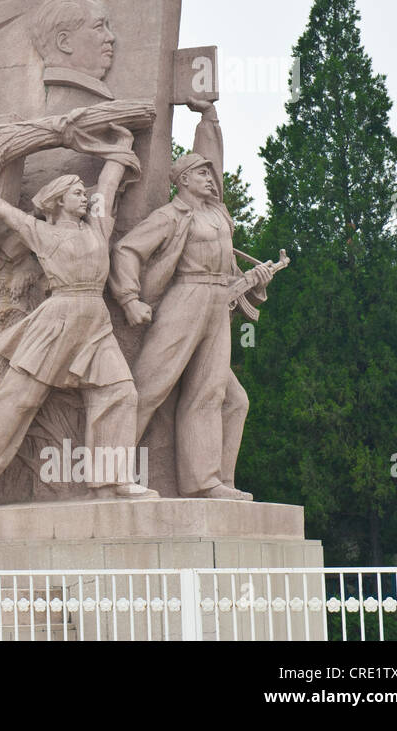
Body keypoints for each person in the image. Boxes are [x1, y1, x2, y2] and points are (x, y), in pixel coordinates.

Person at [0, 139, 159, 508]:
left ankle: (111, 479)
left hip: (95, 318)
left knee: (119, 392)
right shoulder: (41, 232)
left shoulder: (98, 230)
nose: (84, 196)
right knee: (20, 398)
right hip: (57, 317)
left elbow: (106, 188)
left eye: (83, 192)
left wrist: (119, 149)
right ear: (59, 200)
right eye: (77, 192)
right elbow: (4, 212)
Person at [109, 97, 277, 500]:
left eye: (210, 173)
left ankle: (205, 483)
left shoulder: (218, 213)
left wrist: (208, 115)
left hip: (219, 303)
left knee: (212, 393)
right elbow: (127, 250)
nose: (210, 177)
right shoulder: (171, 215)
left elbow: (214, 155)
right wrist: (130, 298)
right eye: (201, 173)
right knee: (149, 385)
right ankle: (110, 473)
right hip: (184, 300)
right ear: (182, 180)